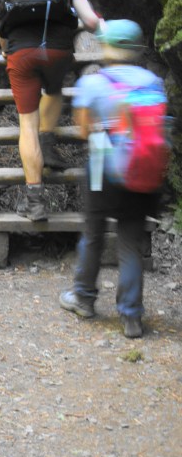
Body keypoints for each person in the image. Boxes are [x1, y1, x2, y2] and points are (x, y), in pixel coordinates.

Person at [60, 20, 166, 338]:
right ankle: (131, 316)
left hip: (101, 169)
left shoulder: (93, 83)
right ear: (136, 49)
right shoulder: (153, 82)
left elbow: (81, 130)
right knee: (131, 243)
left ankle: (84, 299)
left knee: (93, 235)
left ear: (107, 47)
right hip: (142, 170)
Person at [0, 0, 103, 222]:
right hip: (58, 50)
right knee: (54, 89)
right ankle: (48, 144)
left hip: (21, 53)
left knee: (27, 125)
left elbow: (1, 27)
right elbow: (89, 21)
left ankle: (35, 204)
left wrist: (5, 51)